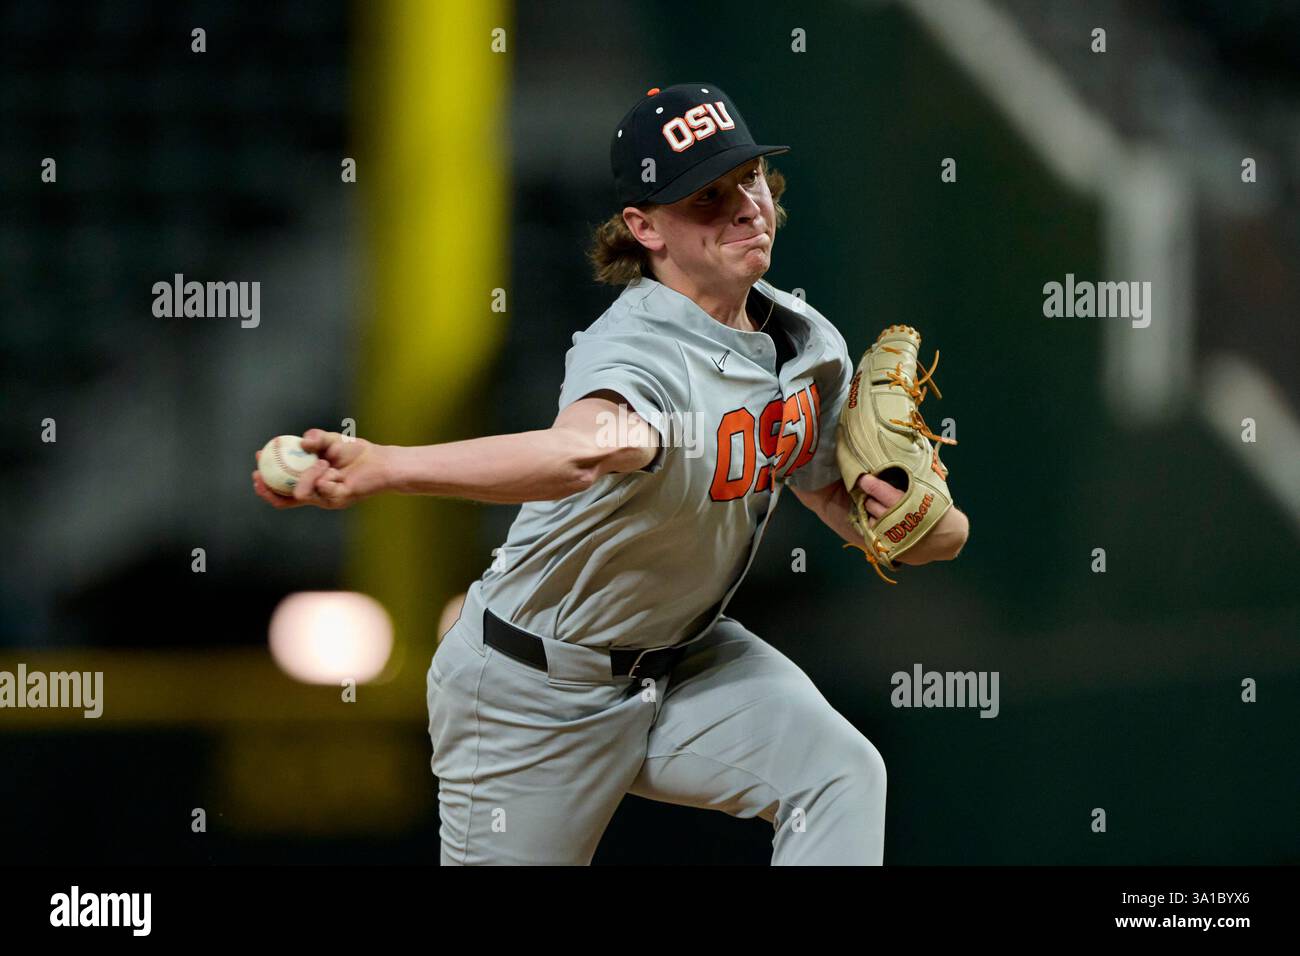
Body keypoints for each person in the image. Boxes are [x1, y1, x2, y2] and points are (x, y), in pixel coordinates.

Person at [253, 82, 969, 865]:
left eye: (751, 178)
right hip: (533, 692)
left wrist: (915, 519)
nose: (744, 206)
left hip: (689, 661)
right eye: (706, 196)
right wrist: (386, 466)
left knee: (839, 774)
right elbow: (574, 452)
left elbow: (876, 518)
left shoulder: (808, 343)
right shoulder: (636, 352)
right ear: (645, 227)